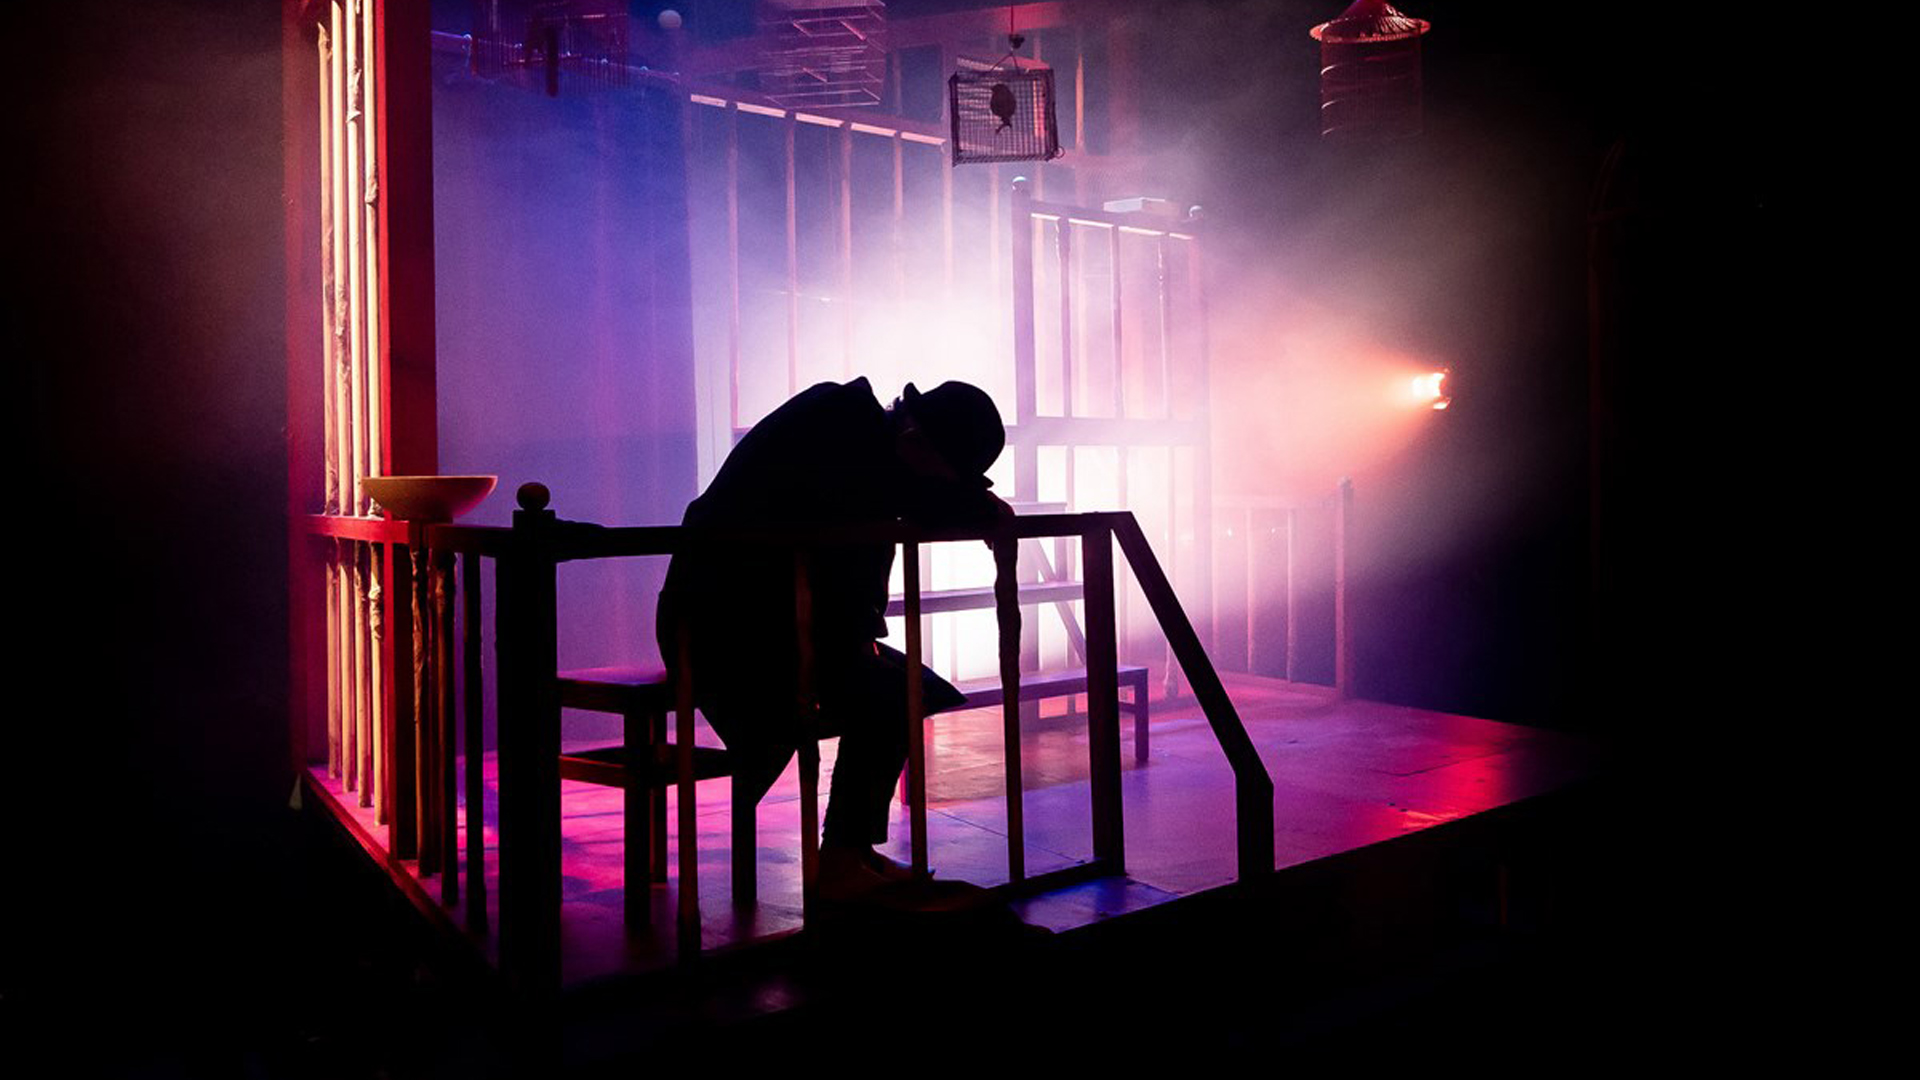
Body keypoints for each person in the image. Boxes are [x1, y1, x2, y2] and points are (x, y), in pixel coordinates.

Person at [656, 377, 1011, 899]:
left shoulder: (860, 437)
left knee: (900, 689)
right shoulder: (842, 434)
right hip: (726, 622)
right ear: (916, 440)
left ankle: (851, 850)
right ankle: (842, 859)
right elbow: (857, 544)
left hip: (770, 620)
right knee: (891, 692)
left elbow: (902, 500)